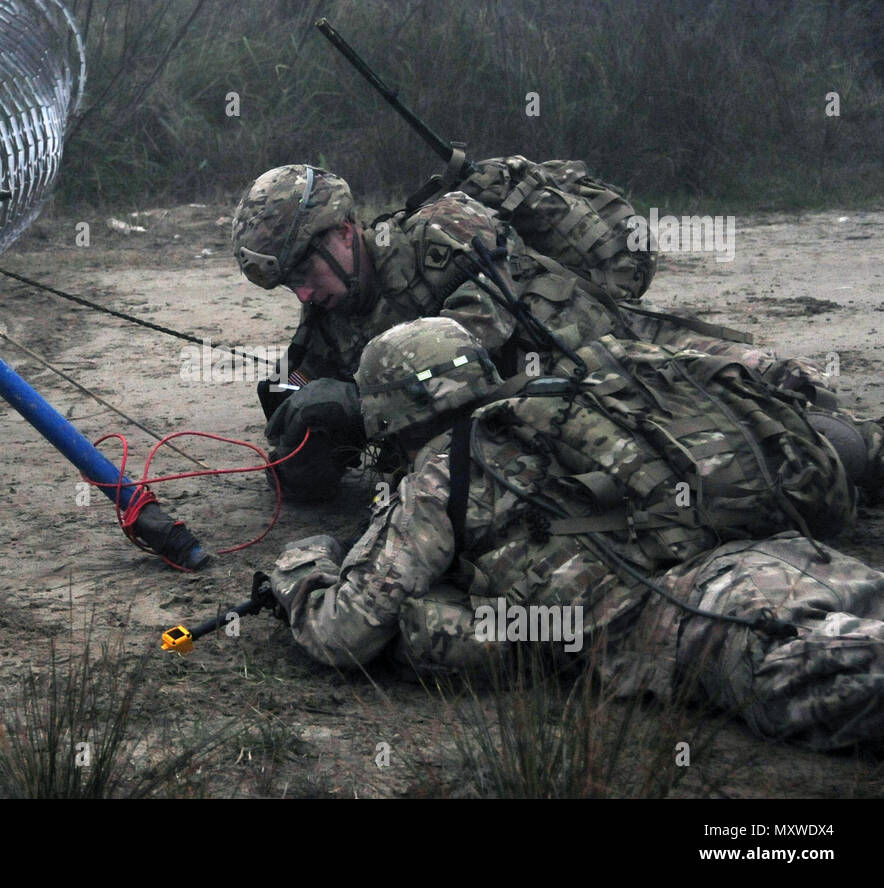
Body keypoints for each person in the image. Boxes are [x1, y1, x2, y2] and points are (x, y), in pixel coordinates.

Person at [264, 317, 884, 750]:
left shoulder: (439, 475)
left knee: (846, 685)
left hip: (691, 618)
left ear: (389, 415)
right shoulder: (566, 401)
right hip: (779, 554)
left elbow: (342, 633)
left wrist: (303, 566)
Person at [231, 163, 883, 503]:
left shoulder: (444, 235)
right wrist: (299, 433)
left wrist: (361, 405)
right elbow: (296, 464)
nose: (305, 294)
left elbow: (466, 350)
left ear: (345, 233)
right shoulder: (325, 329)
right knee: (786, 462)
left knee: (810, 416)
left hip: (618, 355)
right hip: (569, 432)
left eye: (304, 272)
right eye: (289, 286)